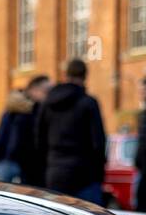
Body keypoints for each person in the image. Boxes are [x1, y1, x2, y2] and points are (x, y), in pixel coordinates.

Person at [35, 59, 107, 204]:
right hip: (84, 174)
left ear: (66, 74)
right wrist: (99, 173)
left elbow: (39, 139)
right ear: (85, 76)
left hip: (55, 171)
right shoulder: (88, 103)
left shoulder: (48, 103)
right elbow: (98, 142)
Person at [0, 87, 35, 183]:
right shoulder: (31, 116)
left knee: (1, 188)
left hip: (8, 160)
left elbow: (1, 138)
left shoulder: (8, 116)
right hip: (26, 161)